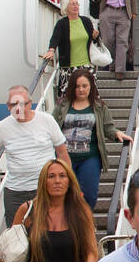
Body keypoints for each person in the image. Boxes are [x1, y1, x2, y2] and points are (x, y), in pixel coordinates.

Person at [0, 85, 68, 228]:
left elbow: (62, 153)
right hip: (16, 192)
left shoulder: (46, 121)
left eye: (23, 104)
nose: (19, 108)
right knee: (16, 236)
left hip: (44, 189)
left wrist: (68, 182)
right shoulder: (3, 127)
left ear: (30, 103)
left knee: (48, 232)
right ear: (7, 106)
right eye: (14, 104)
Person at [52, 67, 133, 209]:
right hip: (65, 158)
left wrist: (116, 134)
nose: (81, 90)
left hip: (89, 158)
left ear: (91, 86)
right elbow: (51, 127)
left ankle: (85, 222)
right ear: (72, 87)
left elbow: (108, 127)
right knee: (67, 195)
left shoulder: (99, 106)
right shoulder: (62, 105)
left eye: (84, 86)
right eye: (77, 86)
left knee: (89, 195)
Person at [89, 0, 136, 80]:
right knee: (108, 40)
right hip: (108, 9)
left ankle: (120, 70)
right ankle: (109, 65)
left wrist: (133, 11)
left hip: (123, 10)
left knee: (122, 41)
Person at [44, 0, 101, 90]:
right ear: (66, 7)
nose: (75, 6)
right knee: (68, 98)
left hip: (86, 65)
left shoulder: (86, 21)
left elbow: (93, 40)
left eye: (77, 4)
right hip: (69, 67)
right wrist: (51, 50)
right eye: (72, 4)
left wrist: (95, 37)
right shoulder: (62, 24)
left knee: (90, 96)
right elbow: (55, 38)